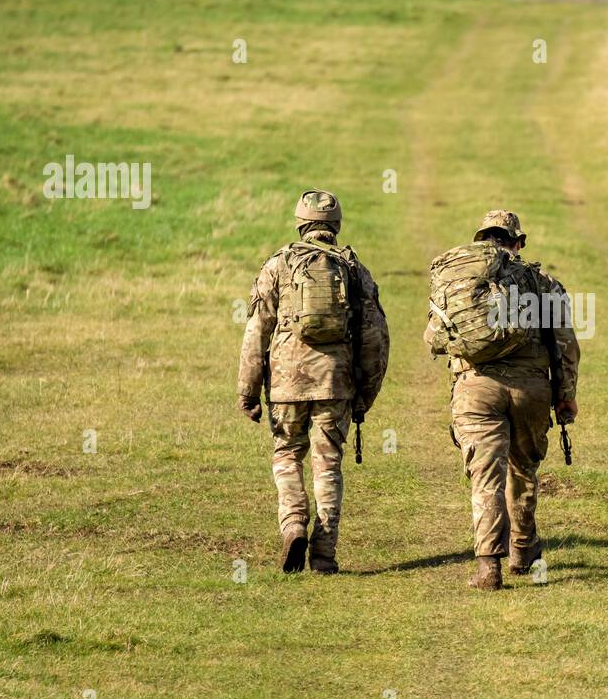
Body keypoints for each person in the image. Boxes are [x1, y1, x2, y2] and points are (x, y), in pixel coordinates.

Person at [424, 211, 580, 590]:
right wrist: (566, 396)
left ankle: (487, 567)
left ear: (480, 240)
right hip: (530, 391)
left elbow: (432, 338)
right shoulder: (542, 283)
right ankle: (523, 548)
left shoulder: (461, 280)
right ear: (517, 242)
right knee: (523, 469)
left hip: (475, 387)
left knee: (485, 476)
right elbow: (565, 345)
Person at [236, 189, 389, 573]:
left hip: (286, 384)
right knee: (328, 464)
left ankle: (293, 525)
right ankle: (324, 553)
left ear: (300, 224)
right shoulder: (353, 269)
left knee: (287, 455)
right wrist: (364, 395)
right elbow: (375, 337)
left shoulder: (279, 265)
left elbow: (256, 331)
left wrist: (248, 390)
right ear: (335, 227)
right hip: (334, 383)